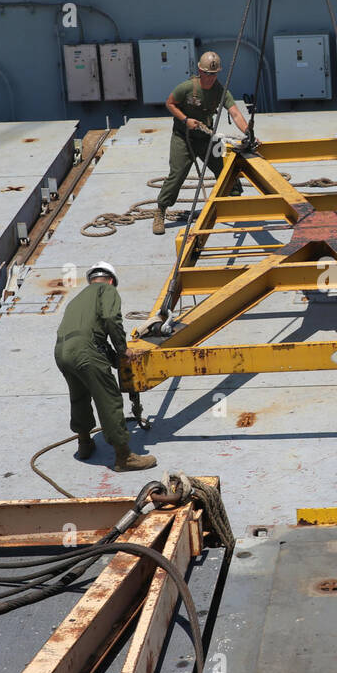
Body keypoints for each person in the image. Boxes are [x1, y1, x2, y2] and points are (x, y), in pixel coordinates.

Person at [54, 261, 156, 471]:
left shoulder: (77, 299)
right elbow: (110, 319)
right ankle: (123, 457)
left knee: (79, 395)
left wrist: (113, 360)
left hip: (62, 351)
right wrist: (122, 349)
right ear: (110, 280)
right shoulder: (107, 290)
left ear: (91, 279)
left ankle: (84, 443)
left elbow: (91, 334)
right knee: (109, 399)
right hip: (85, 352)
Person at [152, 51, 252, 235]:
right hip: (183, 137)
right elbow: (170, 103)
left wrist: (248, 132)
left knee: (226, 168)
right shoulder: (187, 87)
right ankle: (161, 211)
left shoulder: (221, 91)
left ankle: (234, 203)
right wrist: (185, 120)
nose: (211, 77)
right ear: (200, 70)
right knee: (178, 173)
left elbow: (235, 113)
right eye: (207, 73)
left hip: (206, 138)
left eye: (214, 74)